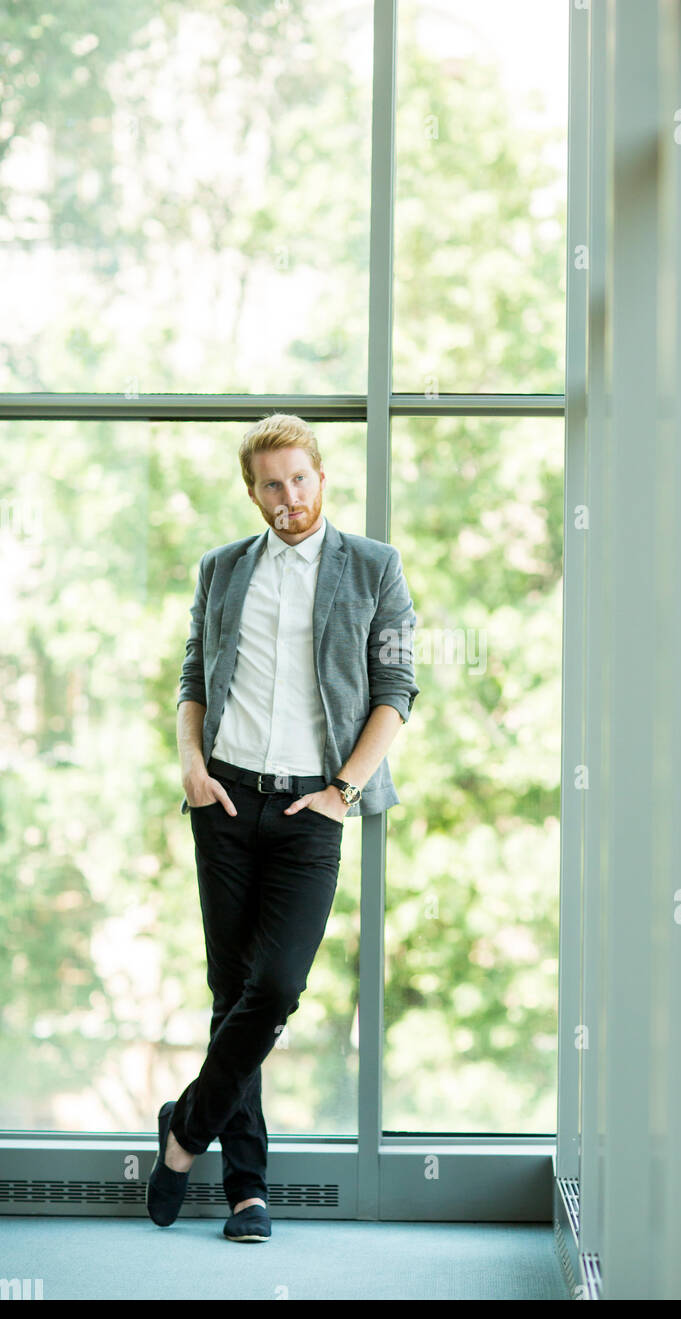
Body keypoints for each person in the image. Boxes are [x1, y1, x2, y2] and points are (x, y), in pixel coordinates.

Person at [146, 414, 419, 1241]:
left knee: (276, 989)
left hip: (312, 808)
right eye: (272, 484)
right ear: (253, 491)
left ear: (322, 478)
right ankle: (247, 1190)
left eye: (300, 479)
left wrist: (343, 790)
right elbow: (195, 673)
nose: (288, 497)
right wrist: (192, 766)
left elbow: (397, 689)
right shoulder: (222, 568)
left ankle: (185, 1130)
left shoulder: (374, 567)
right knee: (231, 992)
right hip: (223, 800)